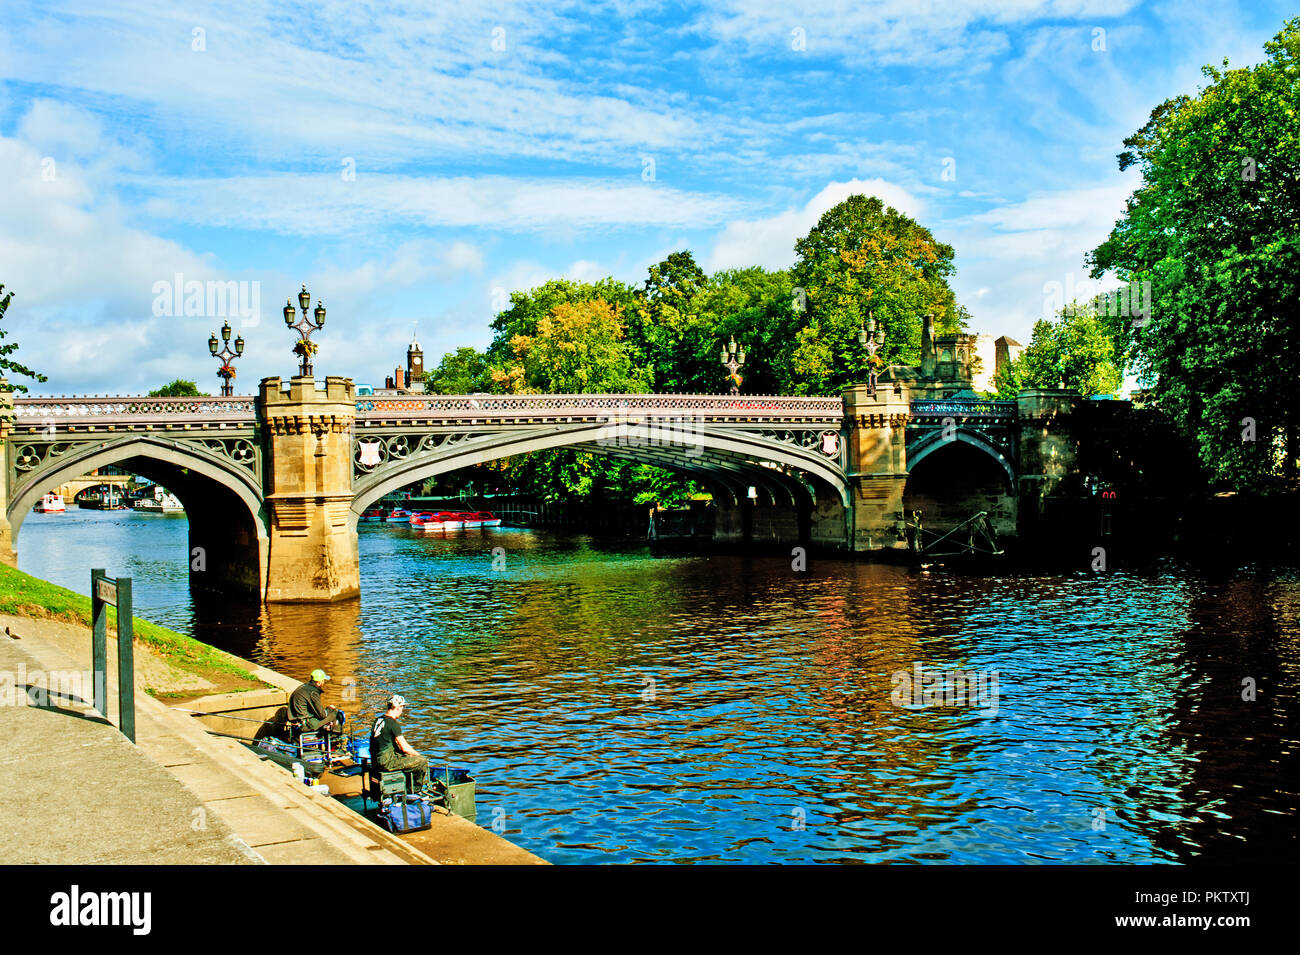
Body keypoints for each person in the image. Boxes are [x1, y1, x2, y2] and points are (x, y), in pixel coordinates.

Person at [370, 695, 429, 791]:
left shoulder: (379, 720)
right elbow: (405, 747)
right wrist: (418, 756)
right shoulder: (393, 724)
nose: (402, 711)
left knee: (407, 757)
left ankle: (405, 785)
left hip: (375, 761)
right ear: (398, 708)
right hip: (386, 762)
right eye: (402, 708)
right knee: (422, 762)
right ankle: (414, 791)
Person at [289, 669, 345, 737]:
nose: (324, 683)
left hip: (297, 721)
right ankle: (336, 740)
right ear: (319, 682)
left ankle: (330, 735)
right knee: (336, 714)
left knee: (328, 716)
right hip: (306, 724)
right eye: (323, 681)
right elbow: (322, 715)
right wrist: (329, 709)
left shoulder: (304, 688)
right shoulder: (313, 692)